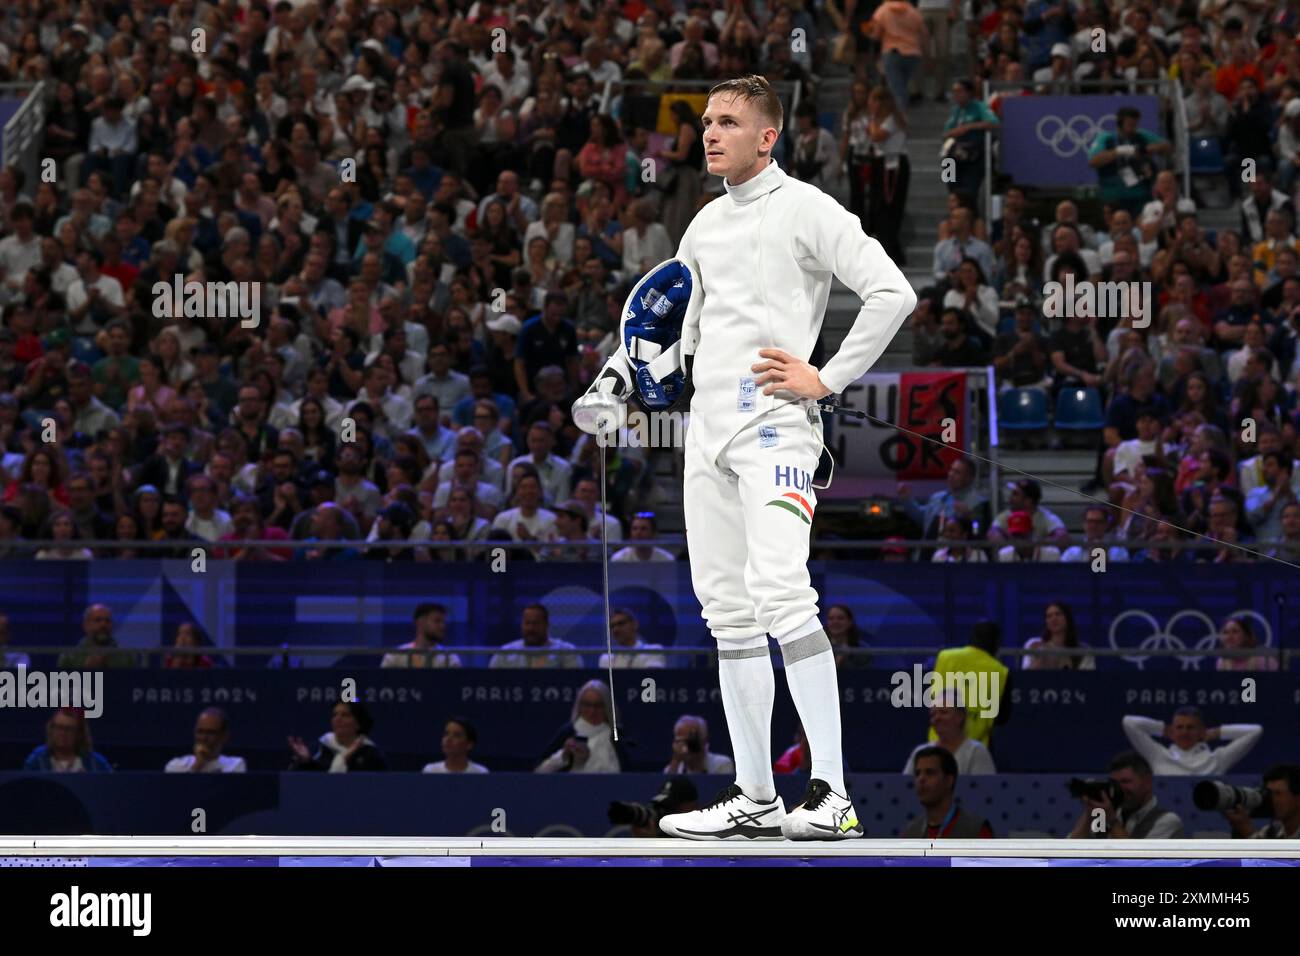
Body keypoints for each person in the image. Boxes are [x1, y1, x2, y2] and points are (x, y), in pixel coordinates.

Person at [647, 75, 914, 843]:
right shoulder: (700, 224)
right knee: (727, 613)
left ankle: (831, 793)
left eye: (728, 121)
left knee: (781, 596)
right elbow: (675, 329)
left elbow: (891, 293)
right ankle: (757, 794)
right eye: (705, 121)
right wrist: (623, 379)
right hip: (708, 436)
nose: (710, 132)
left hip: (776, 432)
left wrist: (825, 378)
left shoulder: (808, 208)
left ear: (768, 136)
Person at [930, 620, 1012, 749]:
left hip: (938, 745)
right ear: (996, 644)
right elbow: (1002, 717)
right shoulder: (1001, 671)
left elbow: (933, 698)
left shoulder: (944, 657)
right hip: (976, 748)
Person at [1066, 751, 1184, 839]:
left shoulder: (1166, 821)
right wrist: (1089, 813)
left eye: (1125, 782)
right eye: (1114, 783)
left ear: (1147, 782)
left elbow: (1136, 861)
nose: (1119, 788)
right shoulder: (1103, 816)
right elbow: (1070, 854)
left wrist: (1112, 821)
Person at [1121, 707, 1264, 775]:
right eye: (1179, 727)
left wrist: (1215, 733)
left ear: (1201, 731)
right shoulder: (1158, 755)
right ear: (1173, 731)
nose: (1184, 732)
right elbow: (1129, 723)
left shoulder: (1217, 759)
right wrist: (1162, 729)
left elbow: (1255, 731)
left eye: (1190, 727)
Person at [900, 746, 994, 838]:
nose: (921, 779)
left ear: (949, 780)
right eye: (917, 773)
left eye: (930, 773)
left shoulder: (975, 831)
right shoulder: (911, 833)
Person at [535, 679, 626, 773]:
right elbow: (539, 772)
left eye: (598, 706)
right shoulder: (568, 732)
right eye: (587, 705)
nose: (592, 711)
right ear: (579, 706)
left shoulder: (617, 735)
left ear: (607, 707)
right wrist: (564, 755)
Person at [903, 695, 996, 775]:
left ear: (960, 716)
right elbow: (904, 788)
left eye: (943, 712)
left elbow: (986, 790)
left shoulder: (976, 751)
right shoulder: (920, 752)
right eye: (933, 715)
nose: (937, 718)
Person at [288, 701, 387, 772]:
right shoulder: (319, 747)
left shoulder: (371, 754)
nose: (337, 719)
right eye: (335, 715)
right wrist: (305, 762)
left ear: (358, 723)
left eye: (345, 715)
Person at [489, 603, 582, 668]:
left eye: (536, 623)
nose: (531, 628)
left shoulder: (566, 652)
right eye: (527, 623)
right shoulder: (505, 653)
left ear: (546, 624)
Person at [22, 708, 113, 772]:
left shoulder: (96, 763)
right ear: (51, 729)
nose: (63, 733)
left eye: (69, 729)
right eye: (58, 727)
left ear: (79, 733)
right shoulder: (36, 761)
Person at [1223, 764, 1300, 839]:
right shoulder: (1271, 832)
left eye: (1278, 793)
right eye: (1269, 793)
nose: (1271, 799)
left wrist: (1248, 832)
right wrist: (1239, 828)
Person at [381, 602, 463, 668]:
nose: (443, 626)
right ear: (420, 622)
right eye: (437, 621)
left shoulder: (449, 658)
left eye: (443, 622)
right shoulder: (396, 656)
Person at [164, 708, 246, 773]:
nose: (203, 738)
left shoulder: (235, 765)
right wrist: (197, 765)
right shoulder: (176, 766)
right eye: (200, 732)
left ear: (224, 736)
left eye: (210, 733)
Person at [57, 603, 136, 669]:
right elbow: (62, 686)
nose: (103, 624)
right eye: (97, 620)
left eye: (107, 621)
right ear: (86, 625)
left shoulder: (127, 657)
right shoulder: (69, 657)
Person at [1022, 600, 1095, 670]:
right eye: (1049, 616)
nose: (1053, 619)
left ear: (1067, 618)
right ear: (1046, 622)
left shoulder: (1083, 651)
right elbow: (1025, 677)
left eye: (1058, 614)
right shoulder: (1034, 646)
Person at [664, 715, 736, 775]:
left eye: (691, 741)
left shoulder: (722, 764)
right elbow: (666, 787)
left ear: (704, 741)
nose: (686, 747)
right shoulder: (674, 769)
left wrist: (697, 761)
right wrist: (676, 760)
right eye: (680, 742)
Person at [598, 607, 667, 669]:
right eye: (612, 626)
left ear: (635, 625)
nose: (615, 629)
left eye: (621, 623)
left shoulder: (653, 651)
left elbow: (652, 679)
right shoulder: (606, 659)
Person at [423, 716, 490, 773]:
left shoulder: (480, 772)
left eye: (457, 735)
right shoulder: (430, 770)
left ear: (469, 745)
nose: (448, 739)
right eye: (446, 734)